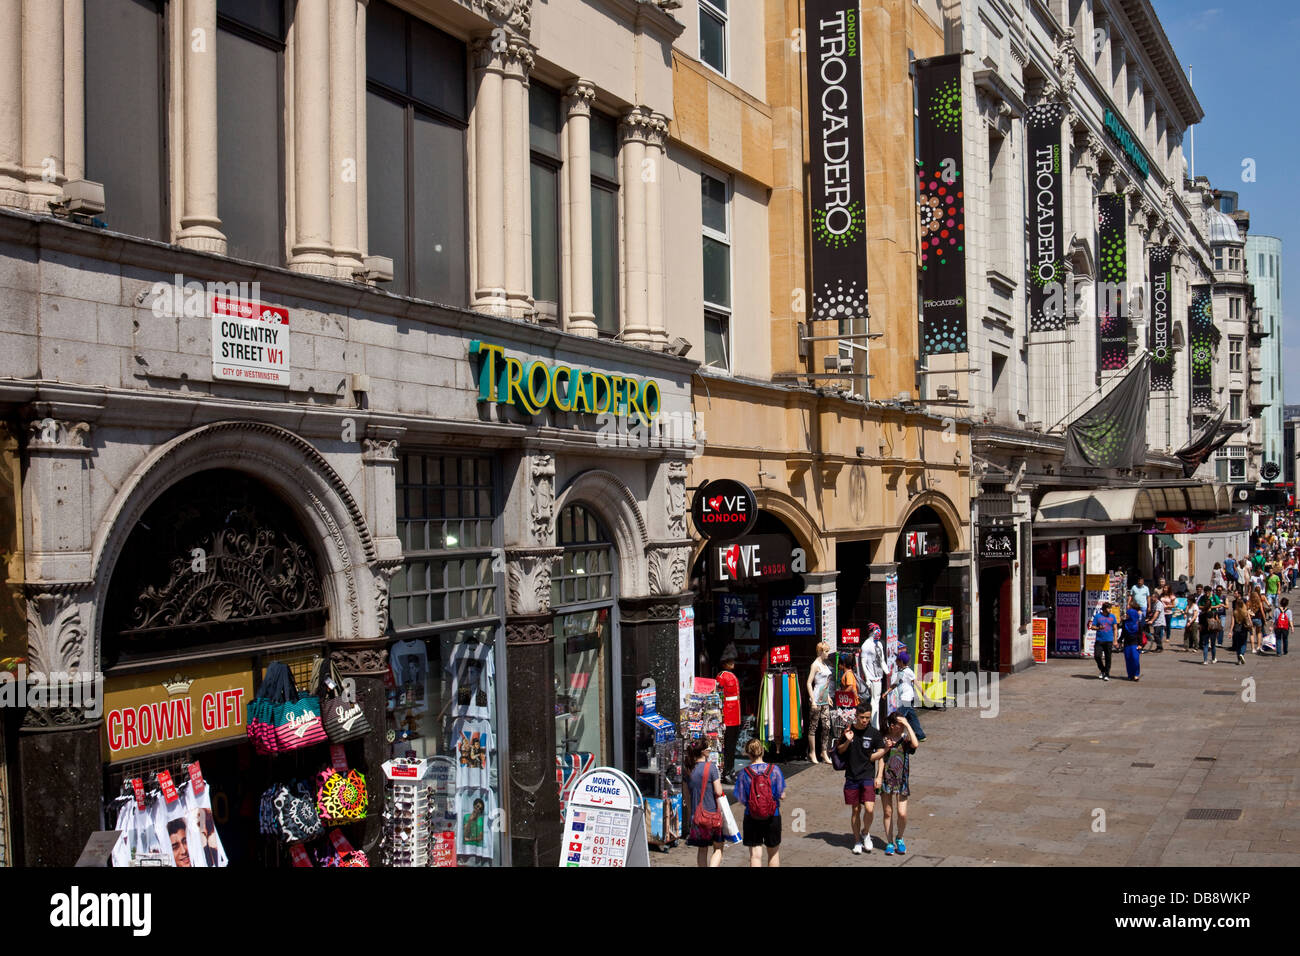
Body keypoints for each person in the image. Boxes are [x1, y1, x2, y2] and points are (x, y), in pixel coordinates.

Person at [834, 703, 885, 855]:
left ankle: (865, 832)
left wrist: (879, 775)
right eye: (862, 717)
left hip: (867, 775)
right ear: (856, 716)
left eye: (867, 718)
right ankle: (857, 841)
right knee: (855, 810)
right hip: (851, 776)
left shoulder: (874, 733)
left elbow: (882, 752)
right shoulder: (849, 731)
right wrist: (848, 740)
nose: (865, 720)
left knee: (870, 809)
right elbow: (840, 751)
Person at [734, 738, 785, 867]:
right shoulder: (774, 770)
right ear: (762, 751)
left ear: (748, 754)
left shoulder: (743, 774)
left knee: (755, 856)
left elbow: (741, 798)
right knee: (773, 854)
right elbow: (782, 795)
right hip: (773, 815)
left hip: (751, 816)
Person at [878, 710, 920, 855]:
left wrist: (908, 725)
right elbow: (881, 759)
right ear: (892, 725)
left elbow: (916, 744)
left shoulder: (905, 739)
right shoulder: (884, 739)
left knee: (902, 813)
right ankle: (889, 842)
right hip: (886, 779)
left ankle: (900, 838)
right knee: (887, 812)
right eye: (900, 724)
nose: (901, 727)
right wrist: (878, 777)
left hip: (902, 780)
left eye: (902, 724)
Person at [685, 739, 725, 867]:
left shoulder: (689, 770)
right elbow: (718, 791)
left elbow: (686, 796)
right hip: (712, 814)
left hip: (697, 816)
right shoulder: (711, 768)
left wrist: (691, 814)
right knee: (718, 848)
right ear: (703, 752)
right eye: (708, 749)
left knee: (702, 849)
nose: (709, 750)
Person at [715, 644, 741, 783]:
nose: (733, 663)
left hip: (735, 714)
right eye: (730, 661)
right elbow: (720, 696)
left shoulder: (730, 675)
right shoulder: (722, 676)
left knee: (732, 745)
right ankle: (726, 771)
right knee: (728, 746)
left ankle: (730, 769)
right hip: (728, 715)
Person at [805, 642, 833, 764]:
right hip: (817, 699)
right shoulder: (815, 665)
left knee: (827, 726)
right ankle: (812, 752)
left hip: (825, 699)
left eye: (827, 651)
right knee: (813, 726)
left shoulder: (825, 665)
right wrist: (813, 700)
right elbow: (809, 683)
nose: (827, 653)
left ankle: (824, 751)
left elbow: (825, 683)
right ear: (820, 652)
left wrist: (828, 697)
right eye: (826, 651)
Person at [855, 623, 887, 730]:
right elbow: (863, 663)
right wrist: (867, 678)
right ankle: (874, 725)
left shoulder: (879, 644)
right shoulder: (865, 645)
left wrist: (887, 671)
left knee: (876, 700)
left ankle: (874, 724)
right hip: (872, 677)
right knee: (874, 701)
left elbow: (882, 660)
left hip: (879, 676)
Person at [890, 649, 926, 739]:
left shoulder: (908, 671)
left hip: (906, 698)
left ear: (901, 662)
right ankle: (920, 735)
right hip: (907, 698)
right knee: (912, 717)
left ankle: (894, 735)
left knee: (898, 717)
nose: (895, 661)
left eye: (897, 660)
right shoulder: (901, 670)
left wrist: (923, 693)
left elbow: (916, 682)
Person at [1088, 600, 1118, 680]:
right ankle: (1103, 670)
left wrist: (1115, 640)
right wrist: (1098, 628)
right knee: (1097, 656)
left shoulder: (1112, 616)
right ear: (1104, 609)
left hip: (1109, 640)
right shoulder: (1098, 616)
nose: (1110, 610)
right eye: (1108, 608)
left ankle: (1107, 674)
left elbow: (1115, 628)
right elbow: (1092, 627)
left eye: (1110, 608)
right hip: (1099, 640)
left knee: (1108, 658)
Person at [1121, 597, 1143, 682]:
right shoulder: (1125, 623)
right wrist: (1119, 641)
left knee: (1135, 659)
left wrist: (1140, 644)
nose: (1126, 615)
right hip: (1127, 643)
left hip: (1135, 643)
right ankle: (1130, 675)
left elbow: (1140, 634)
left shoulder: (1138, 624)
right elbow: (1123, 633)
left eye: (1128, 614)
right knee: (1128, 659)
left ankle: (1136, 674)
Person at [1232, 597, 1251, 666]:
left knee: (1238, 645)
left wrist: (1231, 631)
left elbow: (1232, 623)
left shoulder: (1235, 612)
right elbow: (1249, 620)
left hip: (1236, 630)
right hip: (1243, 629)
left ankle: (1238, 660)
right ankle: (1242, 654)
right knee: (1244, 643)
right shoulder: (1245, 612)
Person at [1248, 586, 1267, 654]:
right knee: (1259, 633)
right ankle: (1258, 646)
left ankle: (1253, 648)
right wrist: (1264, 620)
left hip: (1251, 619)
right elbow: (1262, 611)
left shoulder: (1249, 603)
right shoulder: (1259, 602)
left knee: (1251, 634)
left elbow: (1247, 611)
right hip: (1258, 619)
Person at [1183, 587, 1201, 652]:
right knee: (1186, 634)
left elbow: (1195, 616)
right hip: (1188, 621)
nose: (1187, 601)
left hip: (1194, 622)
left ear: (1191, 600)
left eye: (1188, 600)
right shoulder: (1188, 605)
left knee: (1194, 635)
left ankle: (1196, 647)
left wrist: (1190, 622)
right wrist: (1185, 614)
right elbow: (1186, 612)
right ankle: (1186, 647)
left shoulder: (1195, 606)